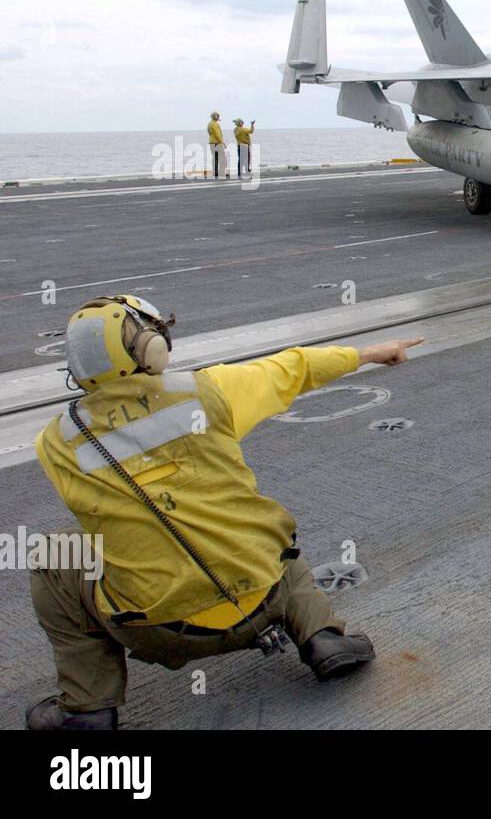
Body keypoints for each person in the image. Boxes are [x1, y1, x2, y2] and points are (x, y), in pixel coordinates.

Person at [25, 293, 424, 730]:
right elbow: (293, 368)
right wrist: (369, 354)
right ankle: (324, 637)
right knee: (267, 530)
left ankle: (87, 709)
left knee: (53, 555)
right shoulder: (207, 391)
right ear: (149, 349)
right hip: (261, 602)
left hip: (159, 630)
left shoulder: (56, 443)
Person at [207, 111, 228, 178]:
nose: (218, 117)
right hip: (217, 143)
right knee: (222, 158)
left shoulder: (209, 124)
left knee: (215, 158)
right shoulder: (215, 124)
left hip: (211, 142)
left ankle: (215, 172)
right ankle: (222, 172)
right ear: (215, 117)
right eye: (218, 116)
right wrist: (222, 142)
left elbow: (210, 133)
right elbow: (217, 134)